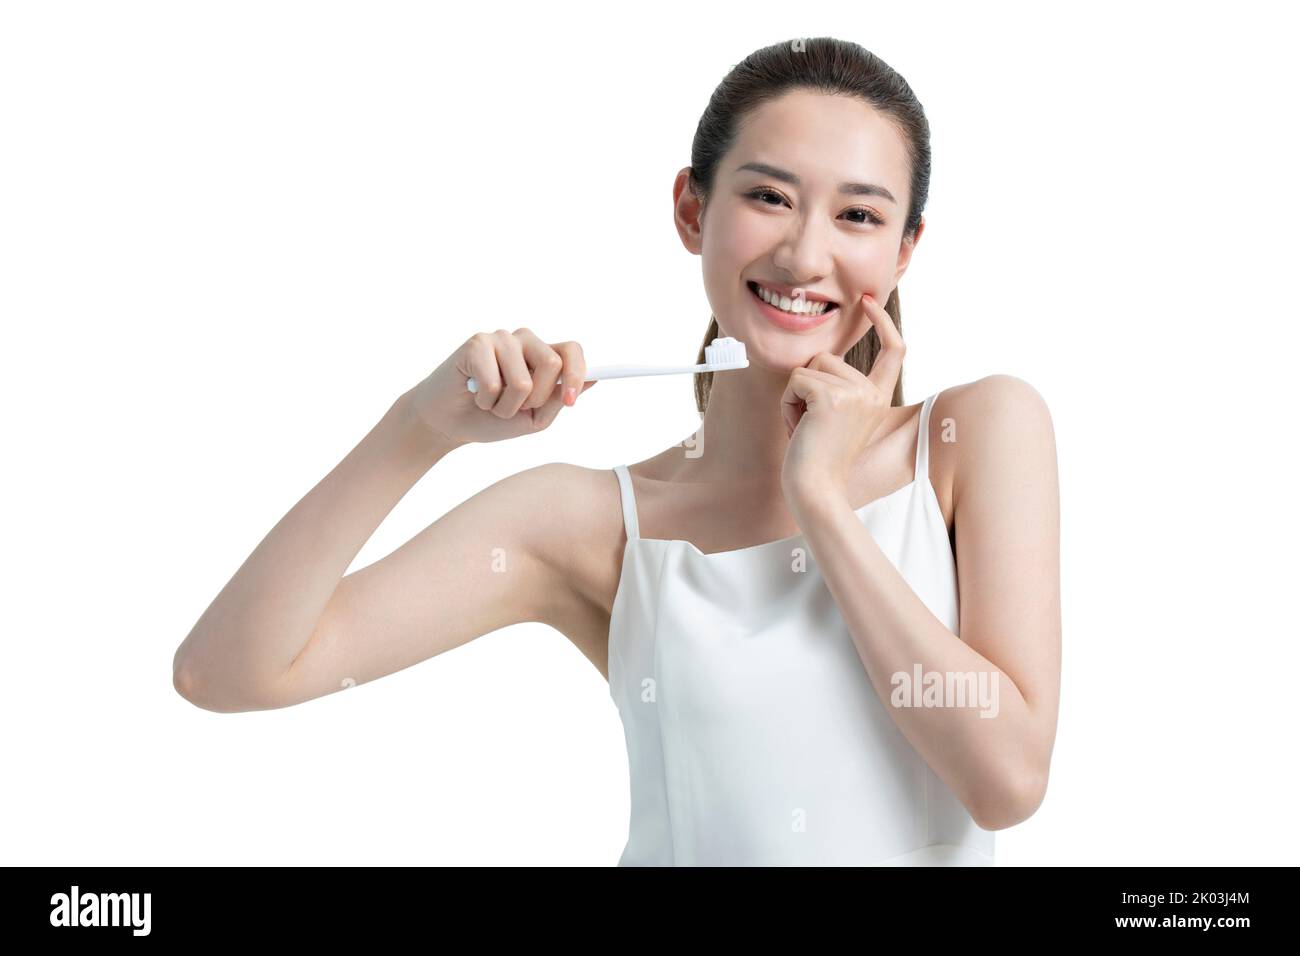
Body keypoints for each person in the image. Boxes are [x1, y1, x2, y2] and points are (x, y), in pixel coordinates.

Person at [173, 37, 1061, 866]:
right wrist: (419, 429)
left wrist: (822, 503)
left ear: (904, 250)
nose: (804, 252)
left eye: (859, 214)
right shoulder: (595, 522)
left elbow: (1006, 782)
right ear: (691, 208)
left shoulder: (972, 437)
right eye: (768, 197)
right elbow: (229, 671)